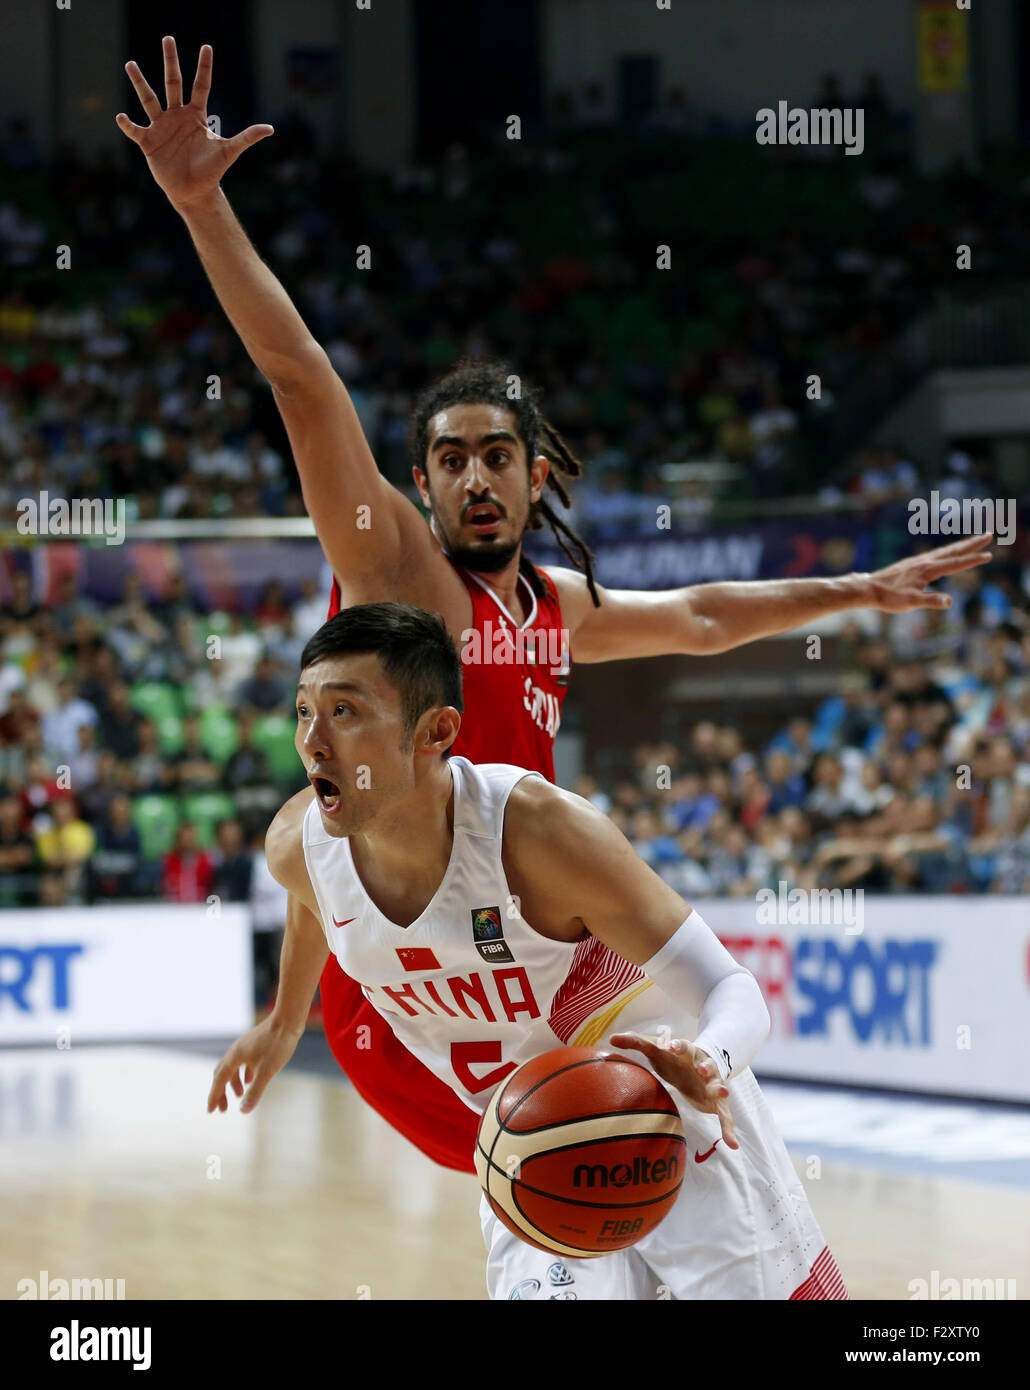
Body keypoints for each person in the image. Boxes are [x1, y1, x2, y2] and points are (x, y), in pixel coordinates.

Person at [121, 38, 995, 1174]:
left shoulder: (553, 603)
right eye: (450, 459)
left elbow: (704, 616)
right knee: (618, 1179)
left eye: (499, 455)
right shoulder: (397, 576)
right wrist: (201, 208)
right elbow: (301, 379)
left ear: (541, 477)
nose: (476, 478)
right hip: (416, 991)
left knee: (677, 1151)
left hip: (513, 938)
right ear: (420, 483)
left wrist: (860, 589)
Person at [208, 604, 848, 1300]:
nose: (313, 742)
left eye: (345, 713)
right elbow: (316, 902)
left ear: (437, 731)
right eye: (304, 712)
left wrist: (708, 1062)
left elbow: (732, 987)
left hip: (667, 1111)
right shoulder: (297, 845)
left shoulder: (541, 835)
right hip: (531, 1148)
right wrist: (282, 1019)